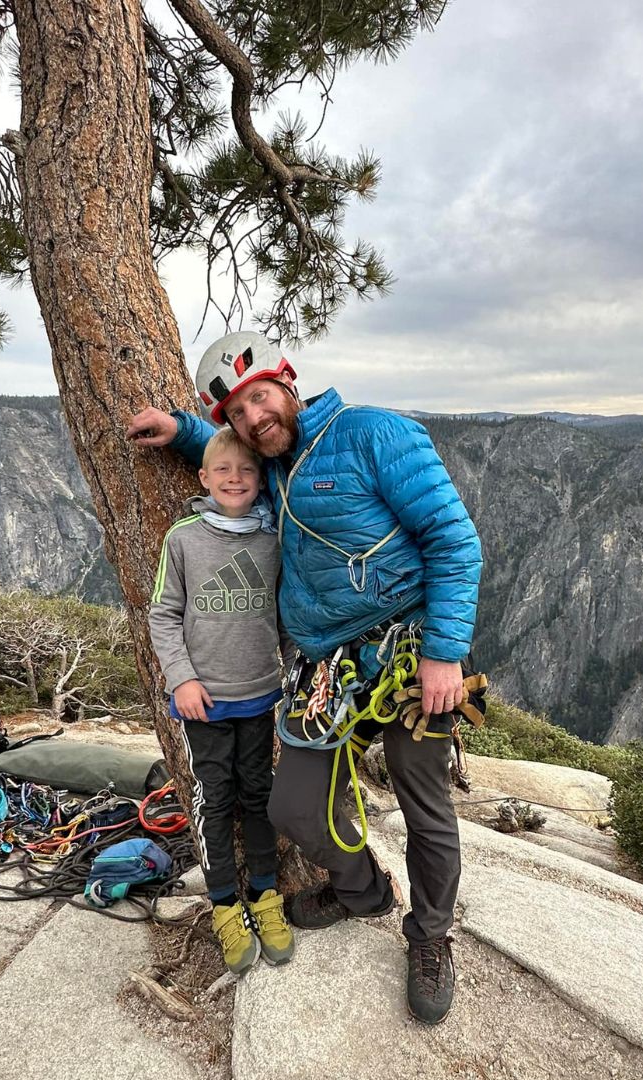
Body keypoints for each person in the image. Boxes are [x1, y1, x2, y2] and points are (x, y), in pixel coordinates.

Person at [128, 331, 482, 1023]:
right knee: (292, 807)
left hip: (412, 656)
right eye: (236, 411)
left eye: (261, 396)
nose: (253, 416)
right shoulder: (274, 460)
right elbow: (229, 458)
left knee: (423, 803)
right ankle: (364, 891)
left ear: (288, 381)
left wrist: (444, 653)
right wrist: (180, 431)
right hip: (330, 670)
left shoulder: (375, 433)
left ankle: (431, 937)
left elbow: (453, 539)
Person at [147, 426, 293, 974]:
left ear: (261, 481)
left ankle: (265, 893)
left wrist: (296, 670)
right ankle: (225, 904)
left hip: (259, 694)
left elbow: (283, 617)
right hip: (201, 701)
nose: (235, 479)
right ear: (204, 478)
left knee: (259, 793)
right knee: (214, 798)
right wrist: (181, 678)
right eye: (223, 471)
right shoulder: (183, 538)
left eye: (247, 471)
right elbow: (162, 614)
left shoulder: (273, 540)